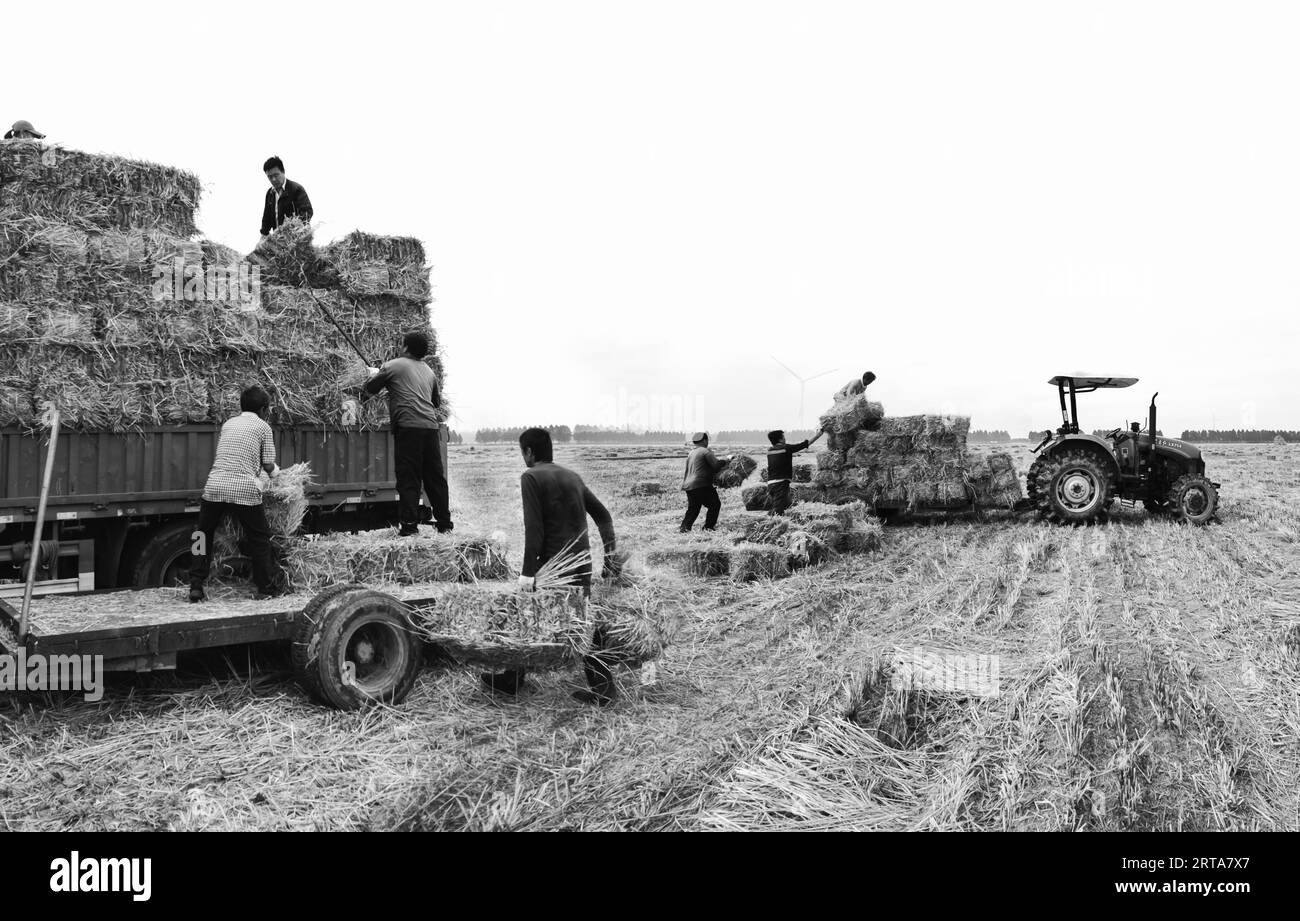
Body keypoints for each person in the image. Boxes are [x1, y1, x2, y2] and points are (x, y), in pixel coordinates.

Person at [481, 427, 622, 706]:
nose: (523, 457)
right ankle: (602, 687)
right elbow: (604, 516)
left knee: (526, 618)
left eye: (523, 452)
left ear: (529, 452)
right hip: (581, 566)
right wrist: (610, 558)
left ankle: (512, 680)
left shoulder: (531, 477)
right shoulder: (572, 476)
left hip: (553, 569)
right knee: (583, 623)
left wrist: (526, 574)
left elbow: (534, 530)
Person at [190, 386, 287, 602]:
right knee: (259, 538)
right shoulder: (263, 427)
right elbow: (268, 464)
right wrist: (279, 475)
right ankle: (266, 588)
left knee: (202, 535)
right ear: (263, 409)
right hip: (243, 488)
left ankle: (195, 584)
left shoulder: (228, 424)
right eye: (268, 409)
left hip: (214, 485)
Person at [362, 330, 453, 536]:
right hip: (430, 428)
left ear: (405, 347)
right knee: (434, 478)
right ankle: (445, 525)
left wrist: (374, 374)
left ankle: (409, 527)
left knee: (409, 478)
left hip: (409, 428)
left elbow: (370, 389)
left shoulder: (393, 365)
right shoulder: (429, 371)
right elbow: (436, 402)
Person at [766, 428, 825, 515]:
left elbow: (780, 458)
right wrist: (819, 433)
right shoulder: (786, 448)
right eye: (783, 437)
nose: (785, 439)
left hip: (770, 484)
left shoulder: (770, 451)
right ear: (780, 439)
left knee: (785, 504)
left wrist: (792, 454)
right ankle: (769, 524)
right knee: (778, 510)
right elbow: (806, 444)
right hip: (781, 483)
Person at [680, 432, 728, 533]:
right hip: (701, 484)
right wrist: (726, 460)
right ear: (705, 440)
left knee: (693, 509)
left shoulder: (692, 453)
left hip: (689, 485)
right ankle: (708, 528)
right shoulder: (705, 451)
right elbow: (715, 466)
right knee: (715, 504)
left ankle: (684, 528)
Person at [259, 156, 314, 238]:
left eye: (276, 175)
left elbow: (307, 212)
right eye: (270, 177)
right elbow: (266, 217)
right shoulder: (270, 193)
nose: (273, 179)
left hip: (297, 239)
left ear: (283, 172)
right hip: (279, 240)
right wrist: (263, 234)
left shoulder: (296, 189)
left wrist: (293, 228)